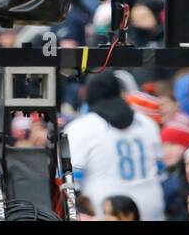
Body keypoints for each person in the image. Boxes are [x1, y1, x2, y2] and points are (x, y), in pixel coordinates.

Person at [62, 72, 165, 221]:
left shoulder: (81, 127)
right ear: (119, 91)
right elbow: (161, 174)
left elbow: (68, 184)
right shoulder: (147, 123)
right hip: (151, 209)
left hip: (108, 212)